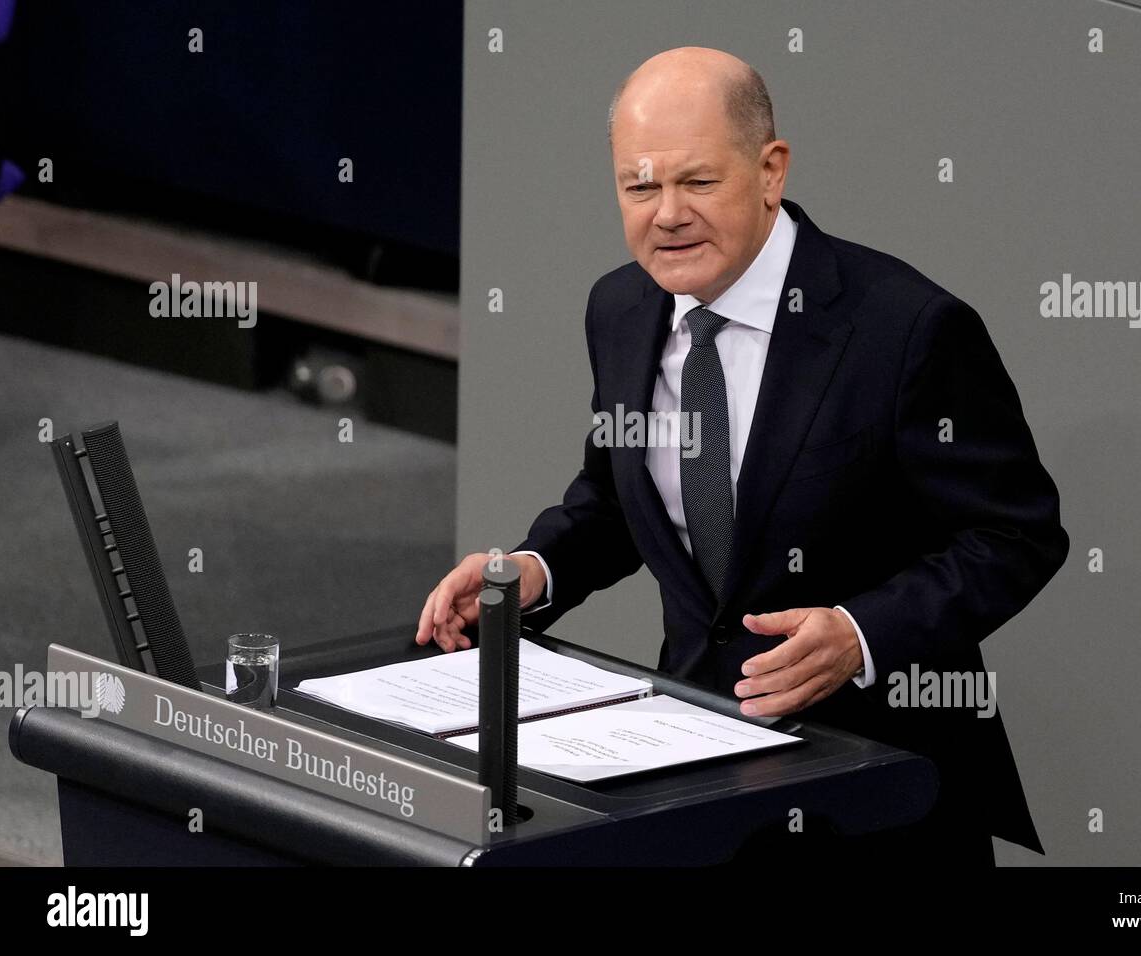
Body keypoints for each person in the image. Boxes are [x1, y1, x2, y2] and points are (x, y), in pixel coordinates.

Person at [417, 46, 1068, 866]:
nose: (667, 214)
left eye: (697, 182)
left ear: (770, 171)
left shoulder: (905, 330)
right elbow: (619, 497)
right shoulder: (620, 308)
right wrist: (531, 569)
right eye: (640, 186)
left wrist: (860, 634)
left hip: (873, 792)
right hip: (690, 773)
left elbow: (1016, 536)